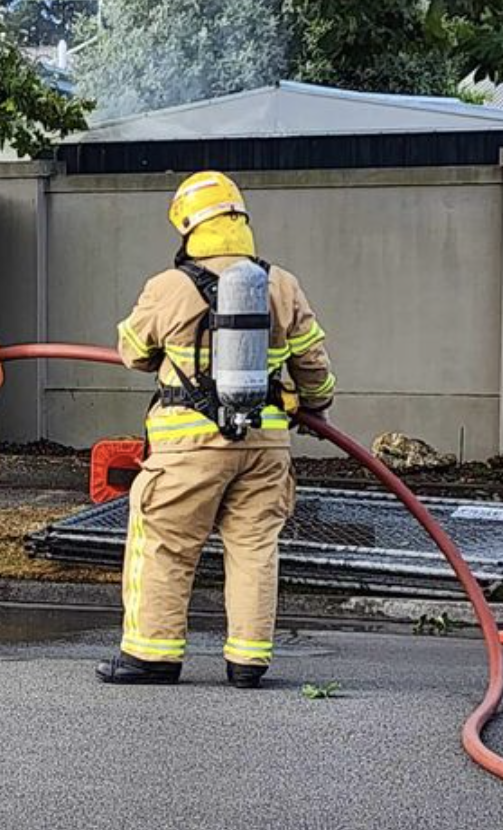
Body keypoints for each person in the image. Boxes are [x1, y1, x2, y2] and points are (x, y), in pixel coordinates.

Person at [97, 171, 336, 688]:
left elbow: (133, 352)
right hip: (265, 443)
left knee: (165, 544)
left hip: (188, 447)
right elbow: (312, 362)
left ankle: (151, 656)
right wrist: (317, 406)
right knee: (254, 548)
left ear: (188, 227)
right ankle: (249, 661)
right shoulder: (281, 284)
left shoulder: (169, 287)